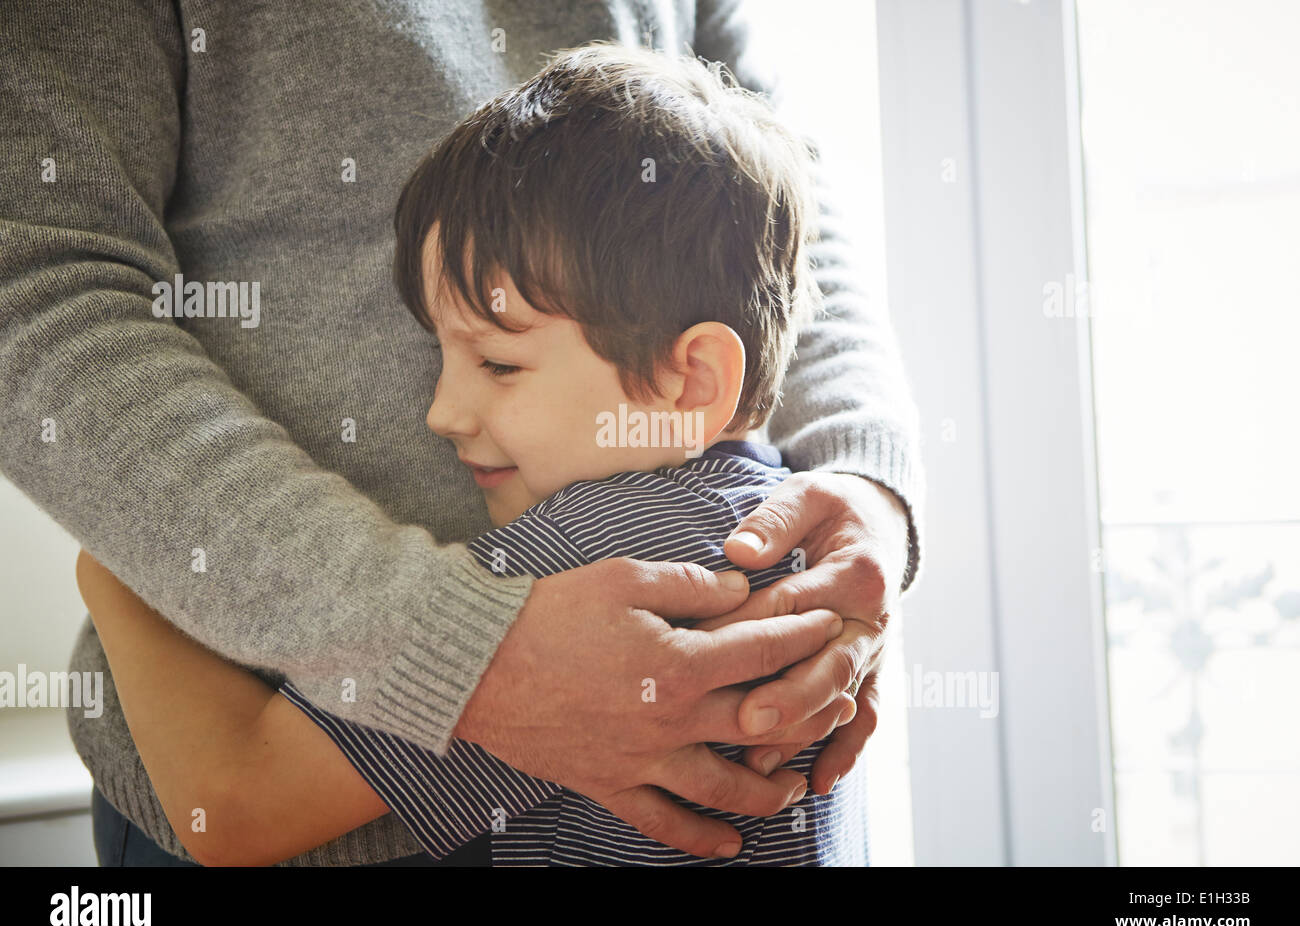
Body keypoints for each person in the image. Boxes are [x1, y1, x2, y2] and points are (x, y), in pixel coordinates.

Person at [2, 1, 924, 865]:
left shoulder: (588, 563)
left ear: (694, 379)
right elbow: (35, 273)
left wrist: (115, 574)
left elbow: (234, 803)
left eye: (499, 363)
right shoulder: (769, 540)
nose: (442, 414)